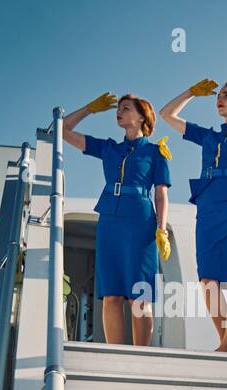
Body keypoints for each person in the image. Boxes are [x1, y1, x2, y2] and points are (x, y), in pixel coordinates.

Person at [159, 80, 227, 353]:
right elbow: (167, 114)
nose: (220, 99)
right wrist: (191, 92)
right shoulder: (209, 136)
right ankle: (226, 342)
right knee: (207, 278)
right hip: (207, 206)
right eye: (218, 95)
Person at [63, 92, 171, 346]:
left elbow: (161, 194)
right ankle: (115, 354)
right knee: (111, 294)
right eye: (118, 108)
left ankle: (141, 356)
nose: (118, 112)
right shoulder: (109, 148)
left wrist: (161, 229)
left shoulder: (157, 152)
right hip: (110, 222)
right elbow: (63, 130)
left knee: (139, 294)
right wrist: (89, 108)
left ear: (142, 117)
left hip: (141, 222)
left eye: (126, 108)